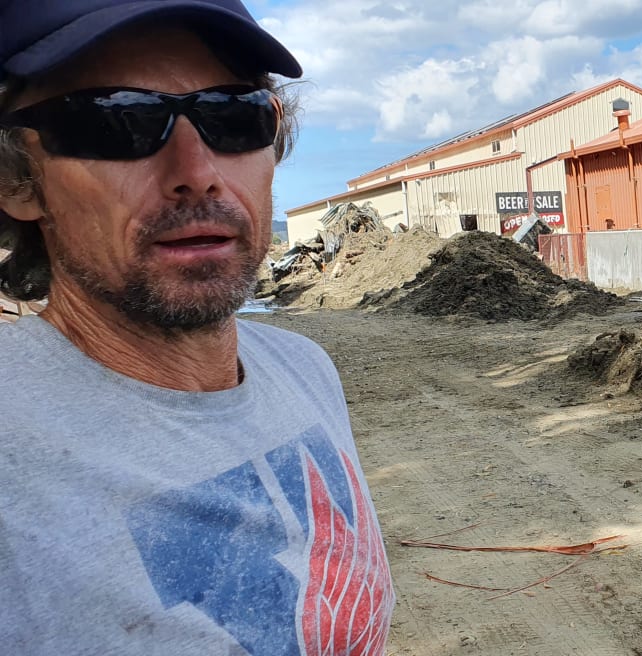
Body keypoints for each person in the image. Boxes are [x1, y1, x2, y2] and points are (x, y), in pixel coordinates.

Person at [0, 2, 395, 654]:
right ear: (18, 179)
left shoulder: (306, 370)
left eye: (233, 118)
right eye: (116, 120)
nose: (197, 172)